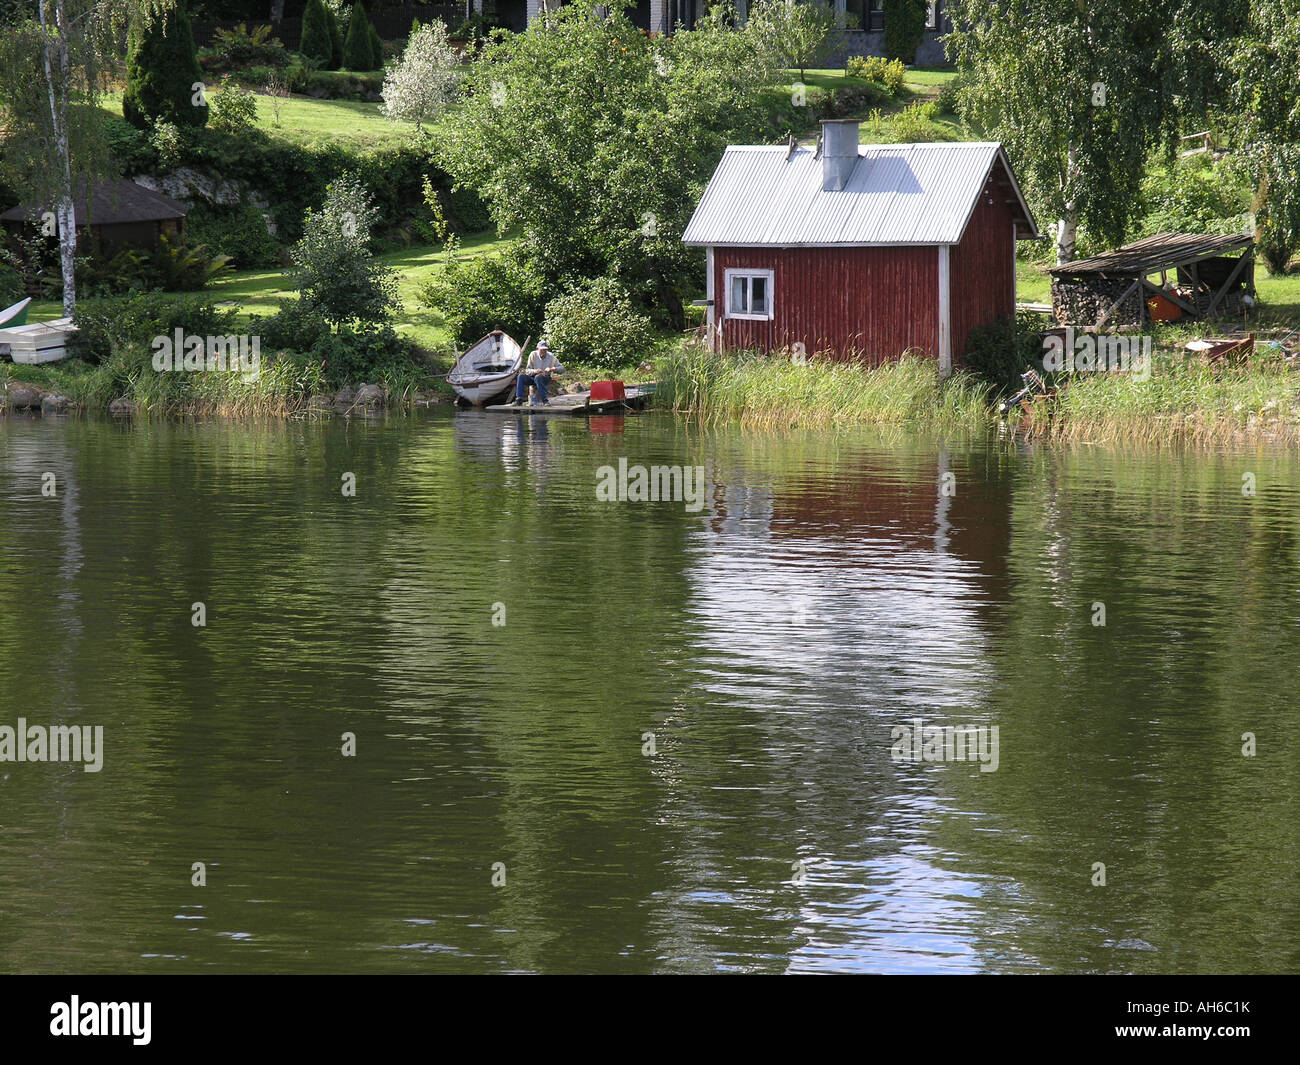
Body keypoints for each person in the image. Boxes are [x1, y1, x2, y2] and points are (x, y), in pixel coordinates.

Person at [515, 340, 564, 405]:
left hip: (545, 378)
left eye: (545, 349)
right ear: (537, 349)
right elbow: (527, 370)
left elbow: (562, 369)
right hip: (533, 377)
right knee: (520, 376)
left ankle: (545, 400)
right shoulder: (533, 355)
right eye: (542, 349)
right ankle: (519, 399)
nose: (543, 351)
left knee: (538, 377)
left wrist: (552, 369)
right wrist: (535, 371)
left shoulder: (551, 356)